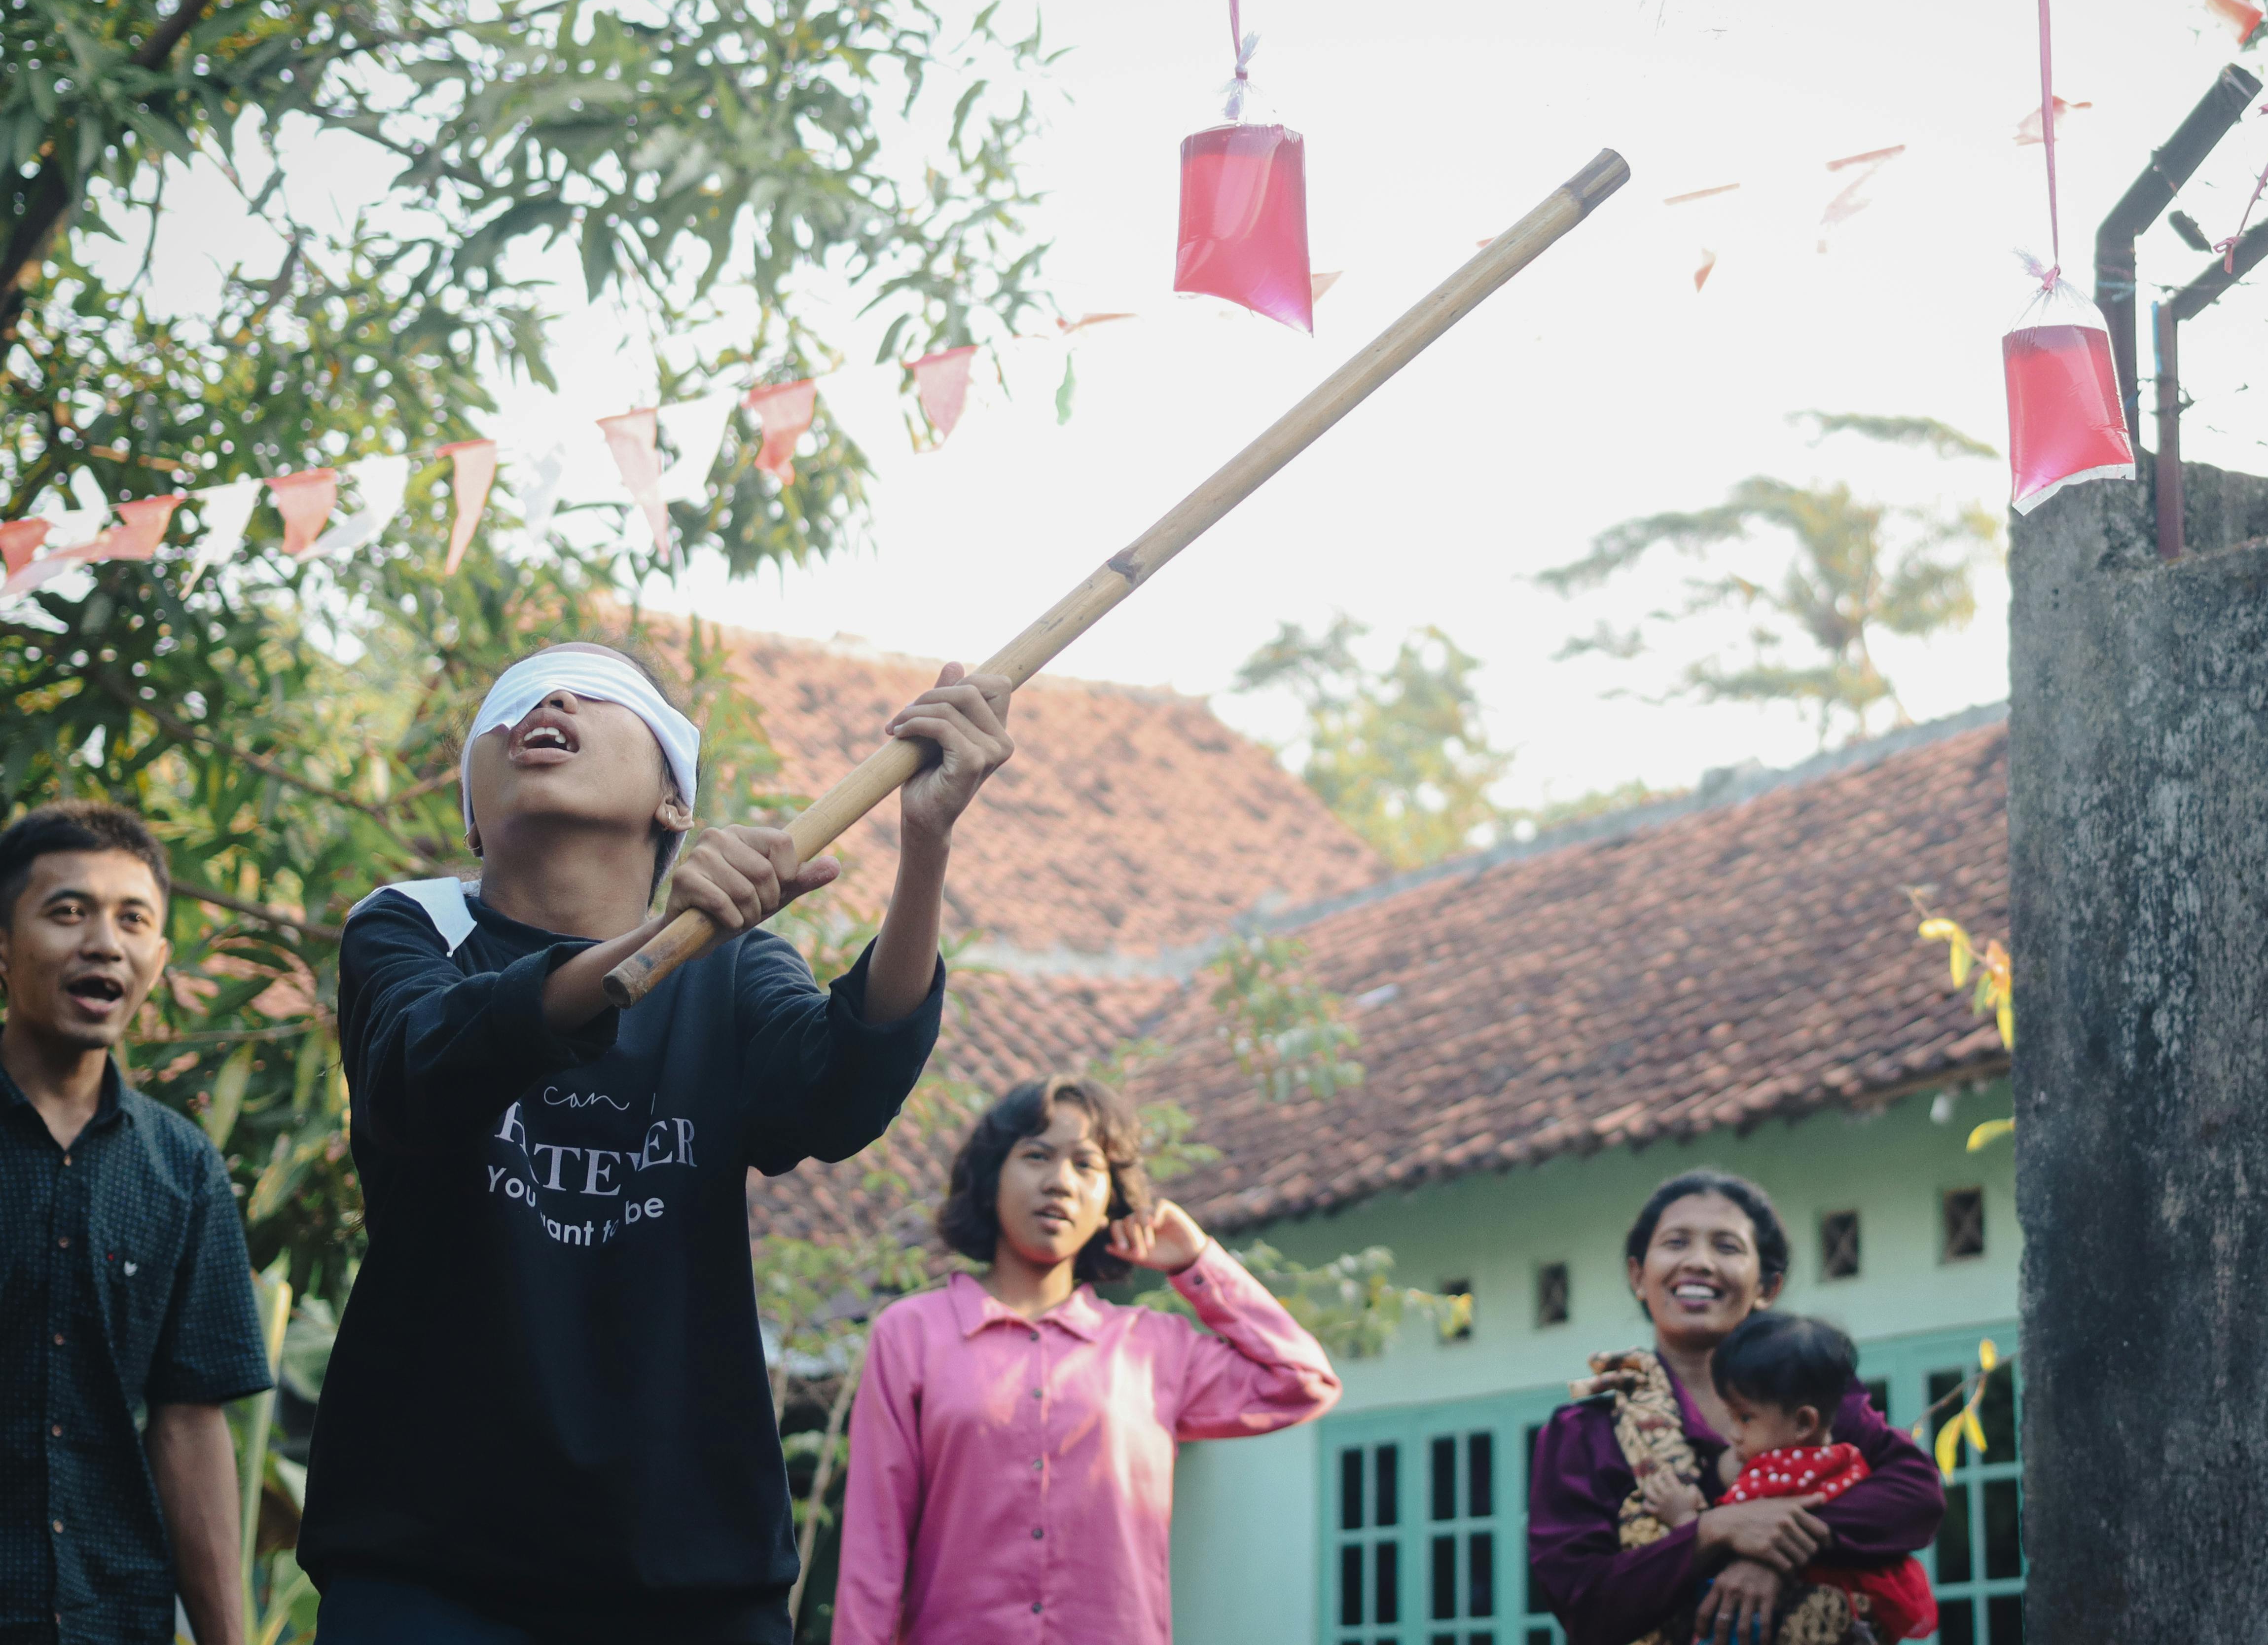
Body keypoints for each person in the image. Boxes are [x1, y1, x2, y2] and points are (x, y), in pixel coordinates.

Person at [299, 642, 1014, 1645]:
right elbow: (424, 1065)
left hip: (691, 1571)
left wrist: (926, 842)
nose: (546, 701)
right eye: (511, 705)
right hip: (430, 1560)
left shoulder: (729, 968)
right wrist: (657, 939)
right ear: (472, 813)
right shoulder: (412, 925)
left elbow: (840, 1090)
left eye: (597, 693)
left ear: (673, 800)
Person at [832, 1073, 1341, 1644]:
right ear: (991, 1177)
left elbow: (1303, 1381)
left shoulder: (1155, 1349)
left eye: (1086, 1165)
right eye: (1036, 1155)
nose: (1059, 1183)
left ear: (1112, 1200)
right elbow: (873, 1548)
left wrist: (1196, 1261)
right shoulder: (910, 1335)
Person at [0, 802, 272, 1645]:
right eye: (68, 912)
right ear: (3, 944)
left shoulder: (184, 1168)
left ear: (155, 961)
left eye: (133, 920)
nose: (103, 943)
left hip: (115, 1619)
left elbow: (191, 1422)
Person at [1527, 1170, 1944, 1645]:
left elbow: (1915, 1495)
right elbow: (1586, 1604)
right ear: (1638, 1276)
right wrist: (1714, 1530)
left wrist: (1769, 1552)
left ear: (1768, 1287)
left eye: (1727, 1247)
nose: (1699, 1262)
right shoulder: (1585, 1434)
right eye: (1677, 1242)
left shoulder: (1813, 1399)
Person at [1637, 1313, 1938, 1643]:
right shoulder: (1848, 1460)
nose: (1734, 1434)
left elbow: (1722, 1551)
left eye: (1745, 1418)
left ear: (1804, 1423)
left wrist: (1684, 1518)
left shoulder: (1773, 1477)